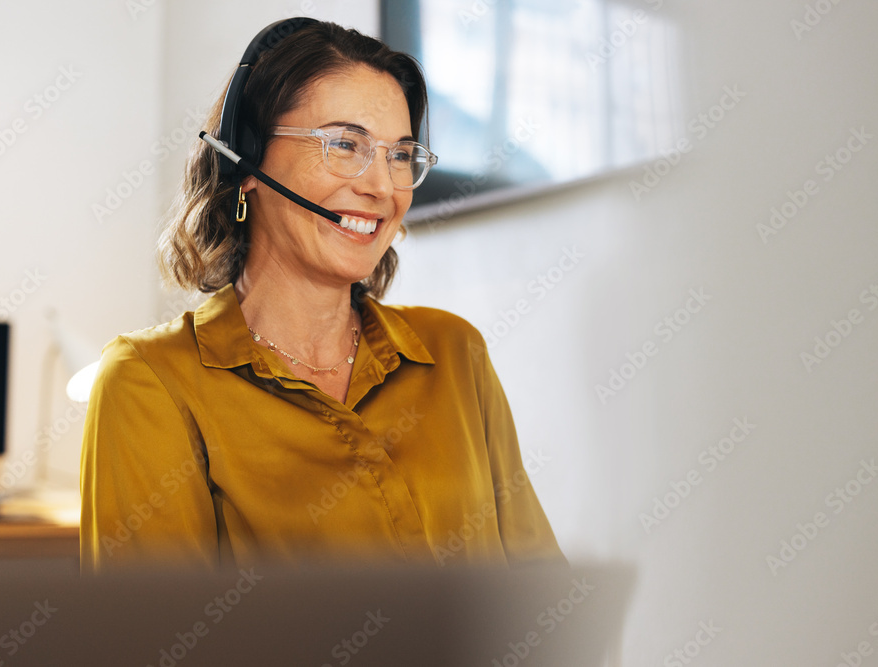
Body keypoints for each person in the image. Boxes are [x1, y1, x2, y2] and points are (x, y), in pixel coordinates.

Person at [79, 18, 565, 572]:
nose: (381, 187)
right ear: (247, 161)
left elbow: (541, 596)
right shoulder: (151, 383)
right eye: (344, 144)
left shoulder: (454, 353)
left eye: (401, 155)